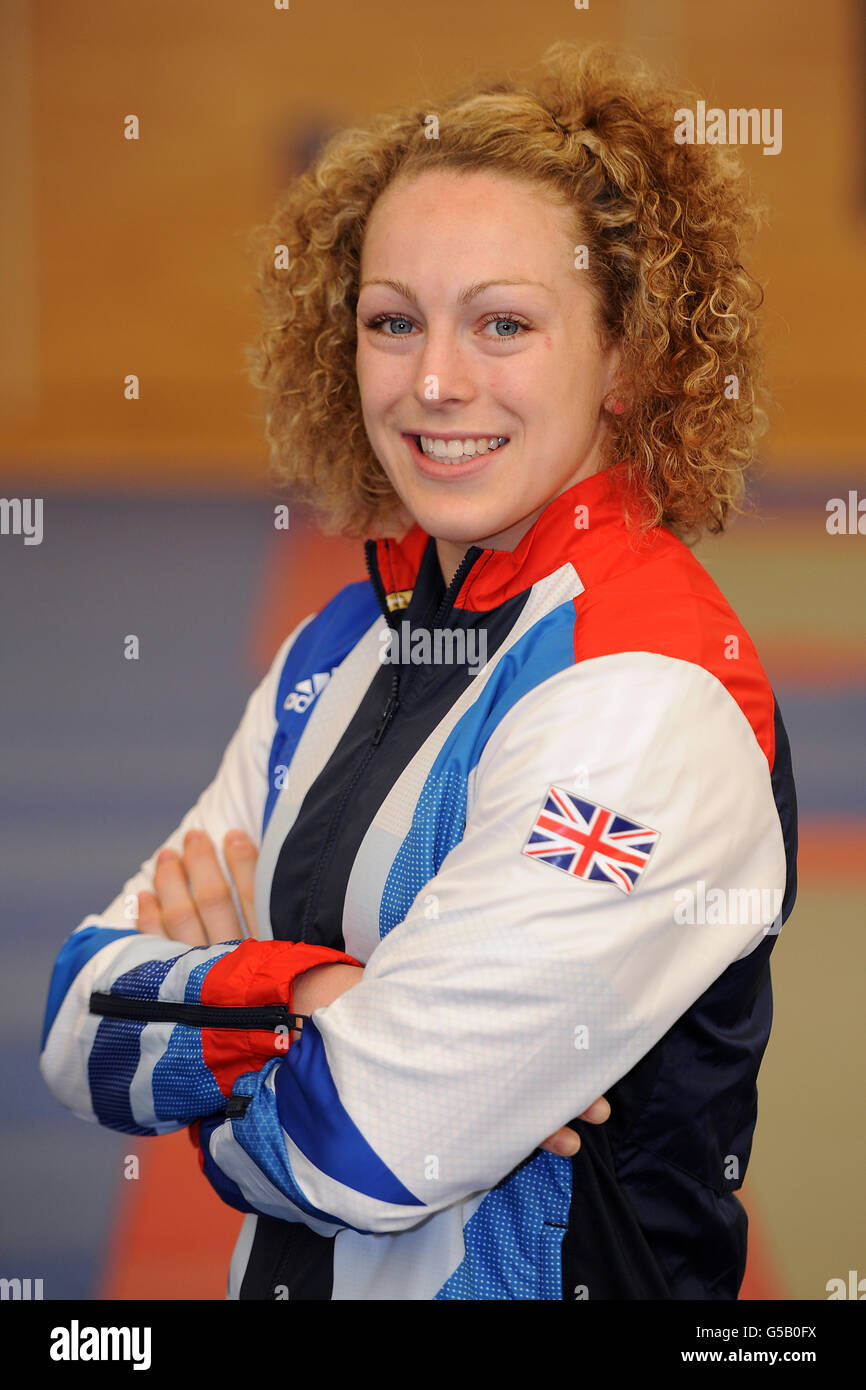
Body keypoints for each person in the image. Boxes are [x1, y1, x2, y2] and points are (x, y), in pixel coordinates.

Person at [40, 41, 797, 1300]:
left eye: (502, 322)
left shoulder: (645, 690)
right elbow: (77, 1024)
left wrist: (217, 1003)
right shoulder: (336, 645)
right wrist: (320, 988)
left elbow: (369, 1147)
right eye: (393, 321)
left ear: (622, 362)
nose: (434, 381)